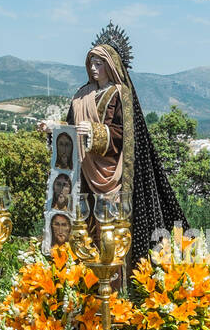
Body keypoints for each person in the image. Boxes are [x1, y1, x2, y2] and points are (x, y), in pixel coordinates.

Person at [39, 26, 185, 269]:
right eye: (91, 63)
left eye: (99, 63)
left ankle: (116, 284)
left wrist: (97, 133)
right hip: (85, 172)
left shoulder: (120, 94)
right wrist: (54, 129)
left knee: (114, 231)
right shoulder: (81, 95)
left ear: (110, 65)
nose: (94, 68)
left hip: (113, 175)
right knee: (86, 228)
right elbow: (72, 128)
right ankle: (88, 283)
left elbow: (126, 134)